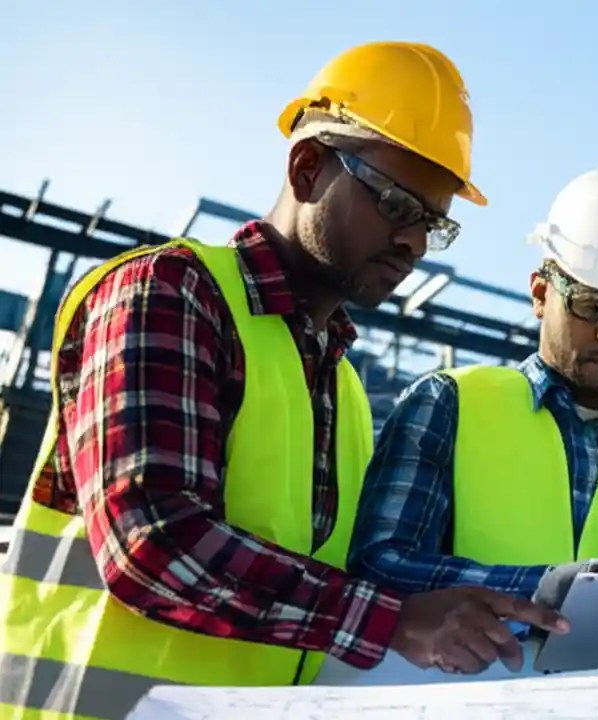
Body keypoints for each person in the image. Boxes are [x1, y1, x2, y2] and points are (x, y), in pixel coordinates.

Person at [0, 41, 566, 720]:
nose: (414, 244)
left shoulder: (344, 389)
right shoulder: (171, 293)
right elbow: (151, 540)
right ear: (307, 168)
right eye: (396, 205)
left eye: (432, 223)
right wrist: (392, 620)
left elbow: (319, 586)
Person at [344, 164, 598, 677]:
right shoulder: (448, 404)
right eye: (592, 305)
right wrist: (558, 593)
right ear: (540, 293)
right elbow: (380, 565)